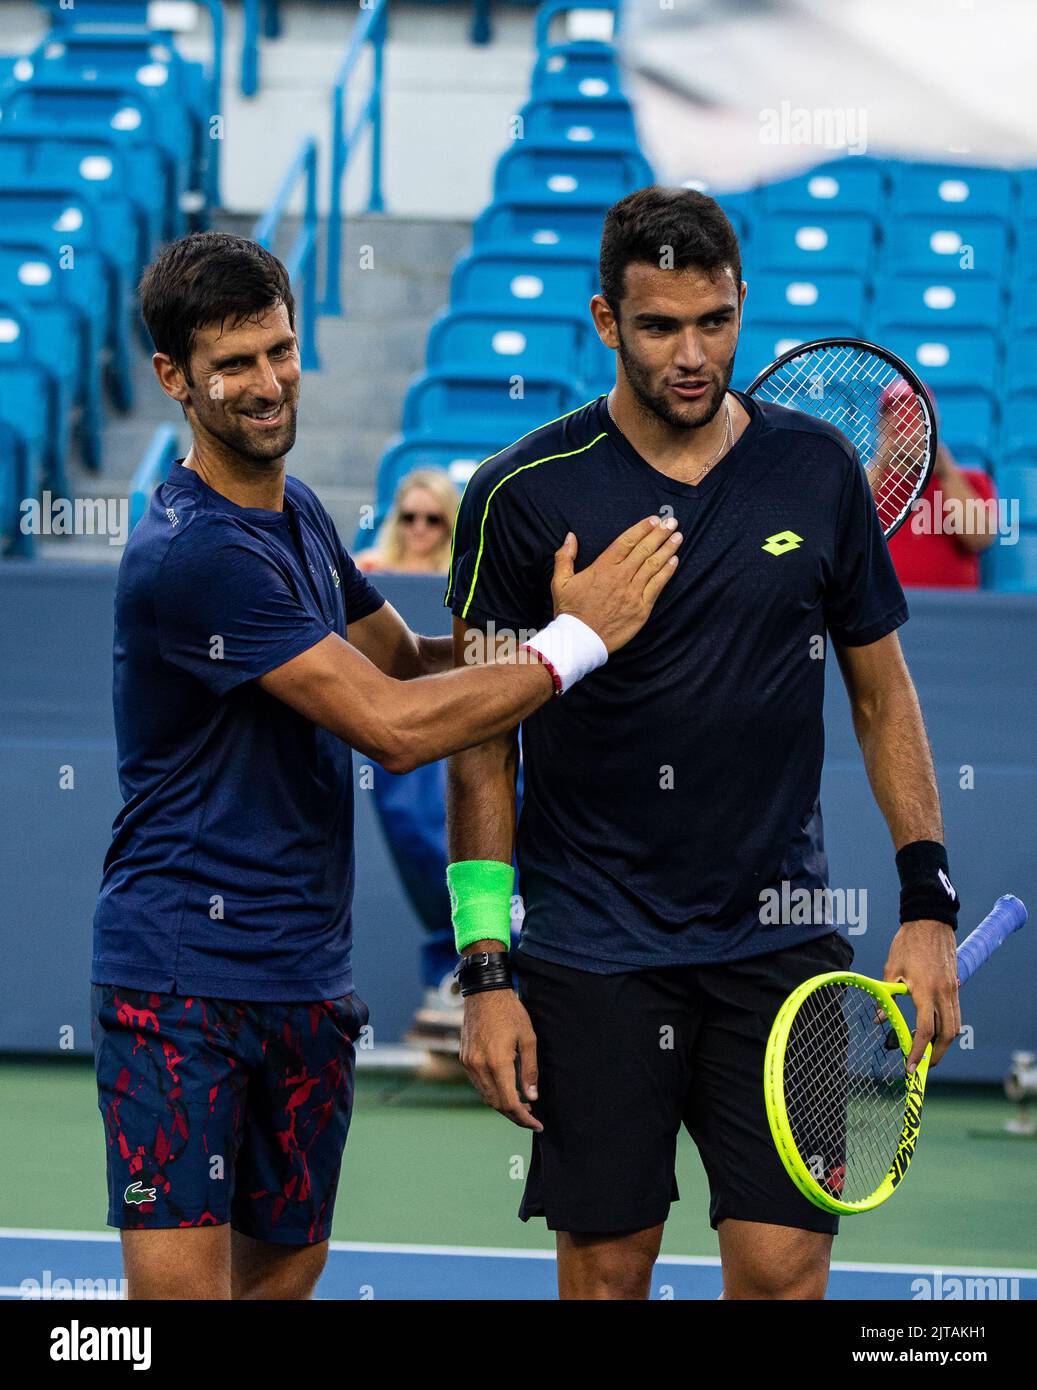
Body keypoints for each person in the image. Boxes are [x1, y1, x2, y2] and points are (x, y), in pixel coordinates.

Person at [90, 231, 682, 1300]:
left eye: (278, 350)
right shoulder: (193, 556)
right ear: (173, 378)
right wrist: (576, 643)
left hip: (304, 978)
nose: (266, 384)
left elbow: (410, 659)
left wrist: (557, 622)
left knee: (287, 1268)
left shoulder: (301, 512)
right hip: (179, 981)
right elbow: (395, 724)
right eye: (232, 364)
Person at [445, 186, 962, 1301]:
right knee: (607, 1267)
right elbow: (480, 745)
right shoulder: (517, 496)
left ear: (740, 306)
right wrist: (485, 968)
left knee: (783, 1270)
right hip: (592, 947)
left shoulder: (815, 469)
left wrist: (926, 902)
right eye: (659, 326)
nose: (692, 353)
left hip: (778, 939)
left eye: (714, 322)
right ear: (602, 320)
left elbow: (879, 694)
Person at [873, 379, 997, 588]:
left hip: (952, 612)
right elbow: (840, 528)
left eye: (913, 413)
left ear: (933, 424)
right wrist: (881, 461)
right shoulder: (864, 482)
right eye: (892, 413)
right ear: (880, 426)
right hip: (882, 613)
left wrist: (945, 469)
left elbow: (980, 538)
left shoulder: (972, 480)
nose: (902, 423)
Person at [354, 468, 458, 575]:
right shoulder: (367, 567)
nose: (419, 528)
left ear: (448, 522)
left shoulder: (459, 575)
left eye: (433, 520)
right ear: (398, 520)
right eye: (409, 517)